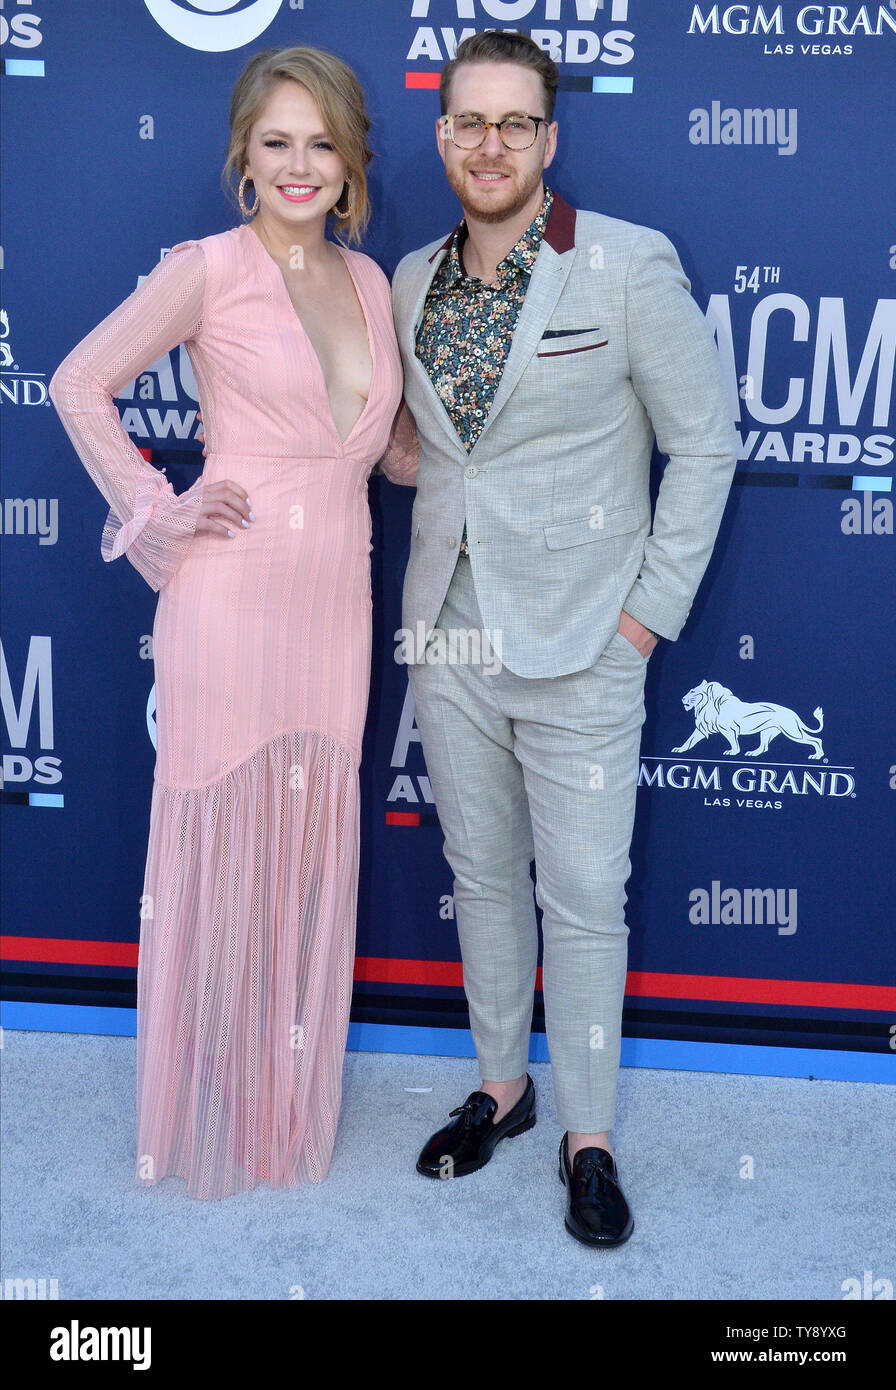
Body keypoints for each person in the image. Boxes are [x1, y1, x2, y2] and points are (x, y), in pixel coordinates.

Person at [48, 45, 417, 1200]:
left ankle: (276, 1090)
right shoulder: (206, 269)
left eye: (321, 142)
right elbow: (75, 382)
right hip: (231, 597)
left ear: (351, 160)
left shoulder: (366, 283)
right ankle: (218, 1094)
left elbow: (392, 450)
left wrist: (510, 459)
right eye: (276, 143)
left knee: (303, 860)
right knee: (221, 847)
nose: (300, 165)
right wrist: (157, 506)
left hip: (335, 606)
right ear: (242, 160)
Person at [390, 31, 738, 1244]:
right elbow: (433, 451)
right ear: (441, 136)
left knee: (585, 895)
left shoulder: (627, 266)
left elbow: (703, 443)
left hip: (590, 637)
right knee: (481, 876)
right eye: (467, 123)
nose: (489, 145)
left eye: (513, 125)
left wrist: (646, 618)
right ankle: (504, 1087)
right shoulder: (405, 278)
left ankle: (588, 1136)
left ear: (549, 139)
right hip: (447, 638)